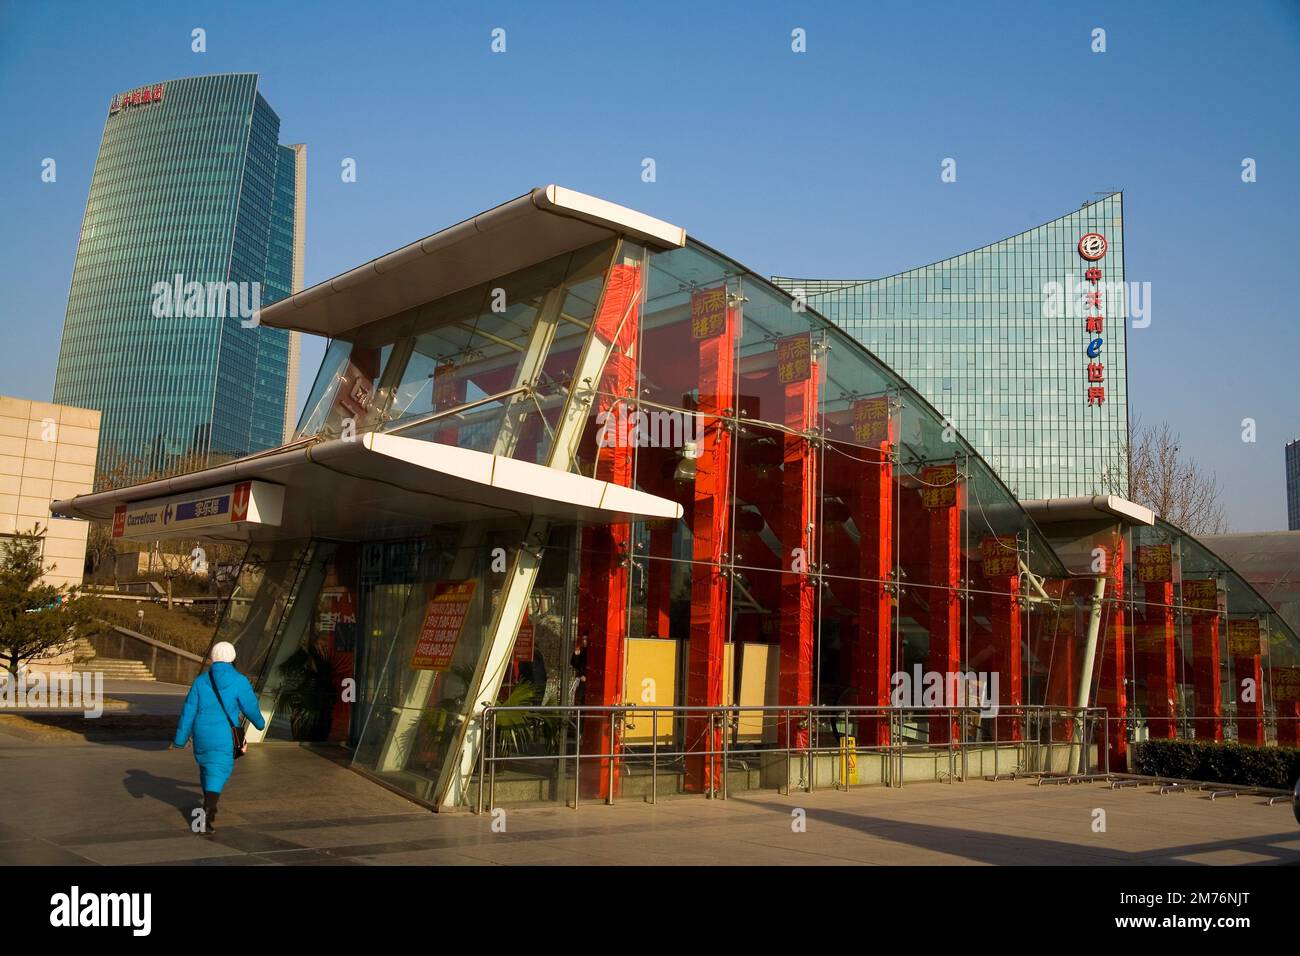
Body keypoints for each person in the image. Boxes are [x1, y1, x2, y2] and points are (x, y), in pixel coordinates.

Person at [172, 641, 265, 835]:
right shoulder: (240, 681)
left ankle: (208, 805)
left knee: (207, 766)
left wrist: (180, 739)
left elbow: (188, 711)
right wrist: (260, 724)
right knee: (218, 770)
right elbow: (250, 707)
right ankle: (208, 811)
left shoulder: (200, 681)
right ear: (232, 657)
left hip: (201, 734)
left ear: (213, 658)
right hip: (224, 735)